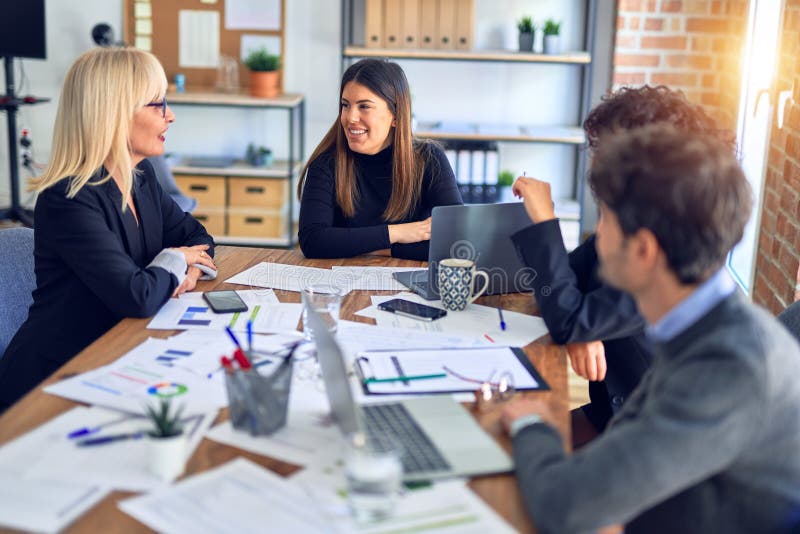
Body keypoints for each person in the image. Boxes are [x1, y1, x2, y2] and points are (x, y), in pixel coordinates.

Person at [502, 124, 800, 533]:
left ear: (643, 250)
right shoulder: (703, 327)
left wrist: (532, 425)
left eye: (605, 217)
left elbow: (567, 507)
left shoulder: (729, 366)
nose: (597, 232)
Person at [510, 86, 736, 446]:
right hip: (610, 416)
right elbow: (565, 286)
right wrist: (587, 328)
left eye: (605, 148)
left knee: (514, 445)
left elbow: (568, 316)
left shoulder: (668, 252)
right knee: (503, 437)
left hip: (652, 438)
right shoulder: (626, 221)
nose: (594, 158)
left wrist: (544, 220)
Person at [0, 47, 216, 411]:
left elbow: (199, 239)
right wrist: (175, 260)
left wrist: (186, 267)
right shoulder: (68, 199)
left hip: (115, 355)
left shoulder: (141, 177)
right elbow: (137, 296)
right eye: (158, 104)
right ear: (116, 114)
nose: (171, 116)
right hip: (53, 381)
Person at [298, 58, 462, 260]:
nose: (350, 117)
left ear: (395, 115)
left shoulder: (430, 160)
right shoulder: (327, 164)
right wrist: (398, 233)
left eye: (364, 106)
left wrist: (382, 249)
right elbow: (313, 241)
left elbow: (456, 242)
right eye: (345, 105)